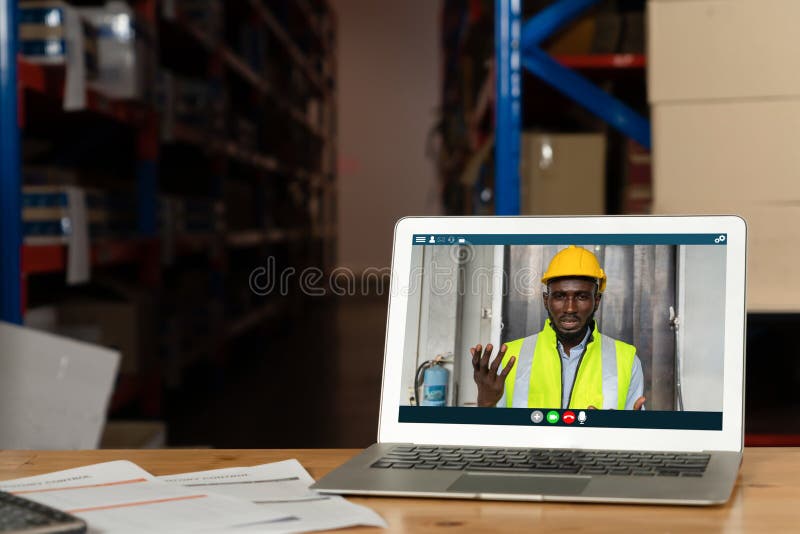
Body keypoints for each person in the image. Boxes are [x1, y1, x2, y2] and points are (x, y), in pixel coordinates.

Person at [471, 245, 646, 410]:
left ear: (597, 301)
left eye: (582, 297)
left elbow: (632, 434)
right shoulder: (510, 358)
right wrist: (486, 405)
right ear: (546, 300)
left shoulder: (626, 360)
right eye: (560, 296)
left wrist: (630, 430)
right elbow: (492, 438)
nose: (570, 308)